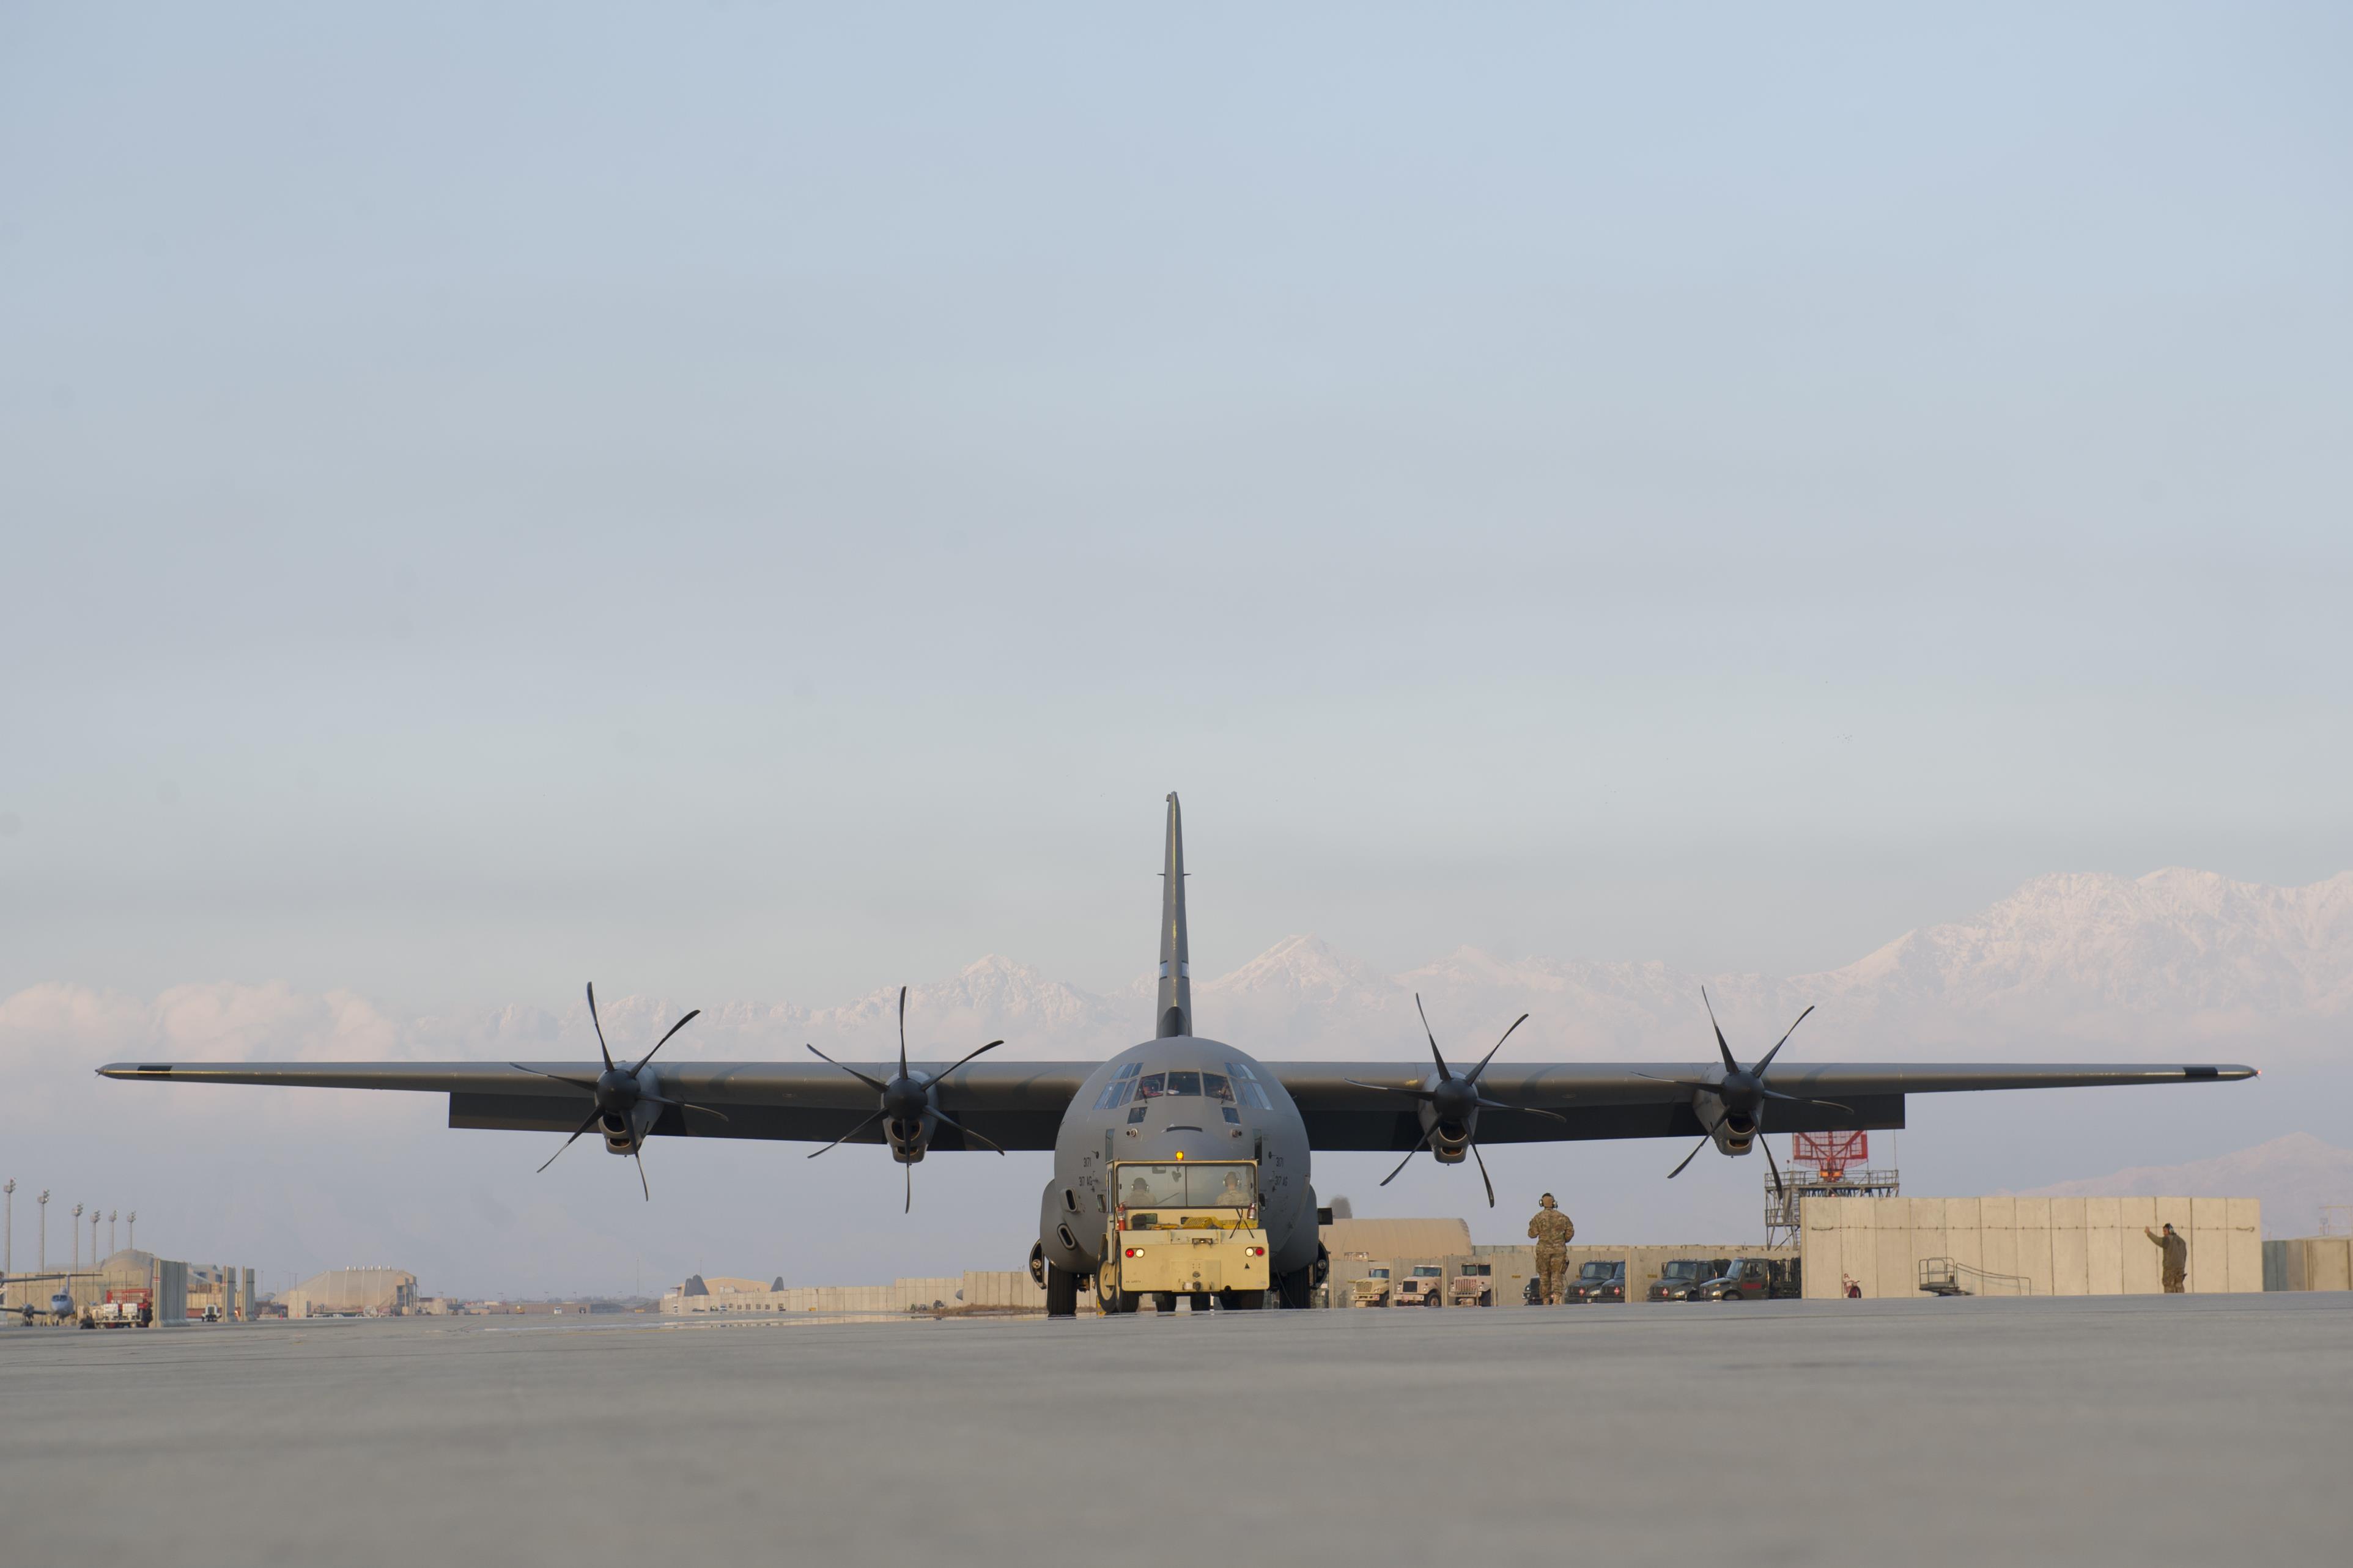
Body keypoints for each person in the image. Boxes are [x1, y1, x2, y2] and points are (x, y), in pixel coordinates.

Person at [1527, 1192, 1575, 1305]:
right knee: (1557, 1274)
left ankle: (1546, 1300)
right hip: (1559, 1251)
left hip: (1543, 1251)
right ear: (1554, 1203)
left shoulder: (1538, 1218)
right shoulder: (1562, 1217)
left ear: (1541, 1203)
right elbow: (1570, 1232)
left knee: (1544, 1275)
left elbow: (1532, 1235)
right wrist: (1563, 1241)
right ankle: (1557, 1298)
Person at [2145, 1222, 2189, 1293]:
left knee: (2169, 1288)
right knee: (2179, 1287)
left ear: (2170, 1231)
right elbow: (2185, 1255)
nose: (2164, 1234)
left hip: (2170, 1270)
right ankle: (2181, 1303)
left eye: (2165, 1231)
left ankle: (2170, 1304)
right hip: (2180, 1270)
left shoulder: (2168, 1239)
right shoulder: (2182, 1241)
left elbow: (2158, 1241)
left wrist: (2149, 1233)